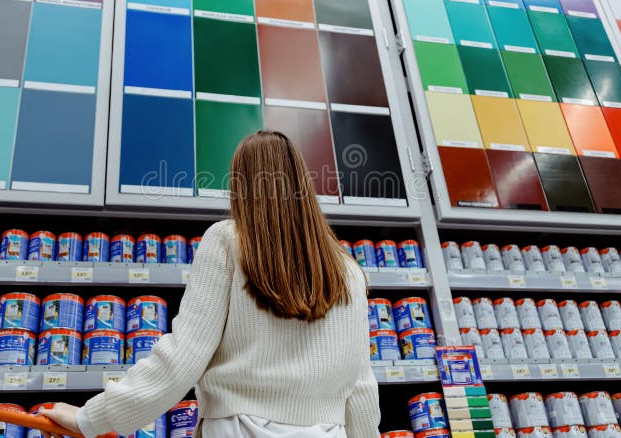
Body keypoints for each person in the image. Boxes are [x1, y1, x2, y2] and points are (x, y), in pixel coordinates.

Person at [41, 130, 381, 438]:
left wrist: (91, 418)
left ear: (240, 186)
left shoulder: (228, 242)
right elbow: (361, 390)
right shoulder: (348, 271)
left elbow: (183, 358)